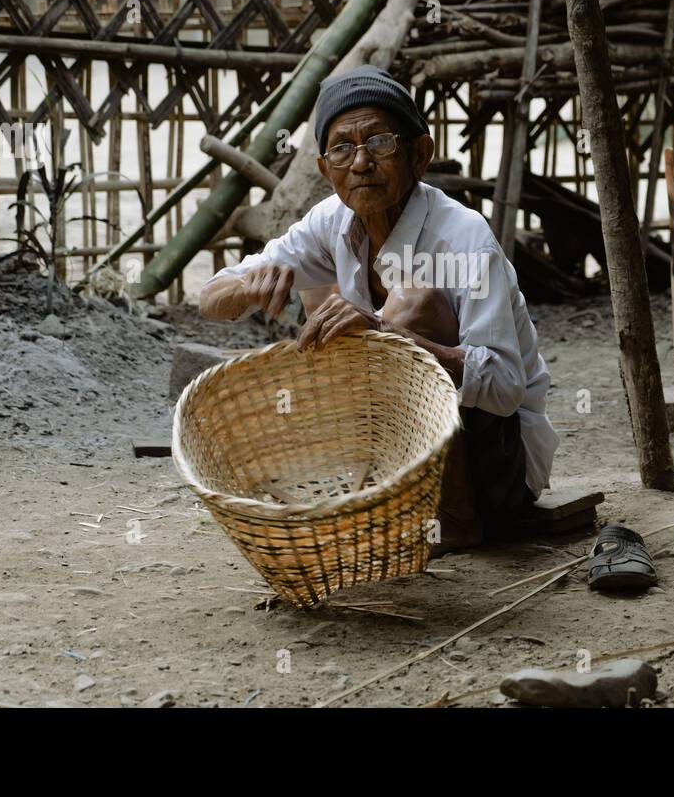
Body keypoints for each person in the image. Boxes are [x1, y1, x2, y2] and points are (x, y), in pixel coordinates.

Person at [199, 65, 558, 553]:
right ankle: (390, 493)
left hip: (498, 469)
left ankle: (455, 518)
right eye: (342, 148)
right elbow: (209, 300)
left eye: (381, 143)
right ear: (326, 170)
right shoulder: (332, 221)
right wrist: (247, 287)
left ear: (420, 155)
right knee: (321, 303)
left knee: (411, 306)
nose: (361, 162)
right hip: (411, 464)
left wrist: (392, 337)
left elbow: (504, 387)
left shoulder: (463, 236)